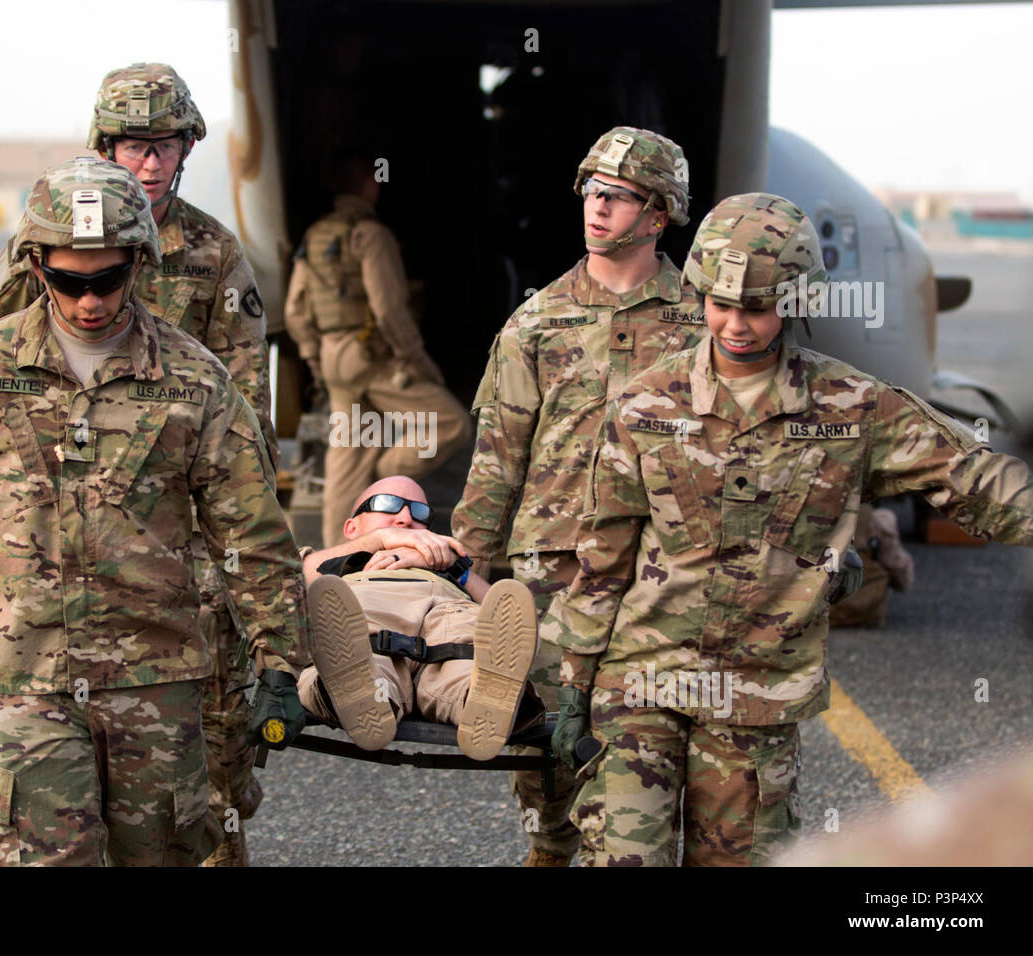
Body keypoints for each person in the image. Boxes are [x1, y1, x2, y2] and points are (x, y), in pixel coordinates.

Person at [0, 62, 278, 866]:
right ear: (105, 146)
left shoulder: (213, 256)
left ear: (188, 149)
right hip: (45, 567)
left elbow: (243, 417)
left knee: (204, 788)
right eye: (133, 146)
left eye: (165, 146)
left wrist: (252, 605)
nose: (149, 164)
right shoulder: (46, 241)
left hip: (171, 554)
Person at [550, 192, 1033, 866]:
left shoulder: (853, 407)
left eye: (758, 306)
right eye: (721, 303)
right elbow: (602, 557)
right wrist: (572, 681)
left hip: (759, 702)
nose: (736, 323)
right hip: (641, 685)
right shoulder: (644, 405)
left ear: (797, 301)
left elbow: (975, 480)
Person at [451, 127, 700, 866]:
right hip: (552, 566)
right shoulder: (538, 319)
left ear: (658, 215)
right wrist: (470, 565)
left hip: (664, 568)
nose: (595, 208)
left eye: (616, 197)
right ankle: (551, 848)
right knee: (552, 745)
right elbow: (499, 451)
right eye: (591, 192)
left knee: (643, 742)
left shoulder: (700, 321)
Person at [284, 155, 472, 547]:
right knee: (450, 423)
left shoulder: (316, 235)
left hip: (334, 358)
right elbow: (388, 310)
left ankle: (336, 559)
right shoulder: (370, 233)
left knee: (346, 461)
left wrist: (317, 359)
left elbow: (295, 311)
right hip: (370, 356)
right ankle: (386, 476)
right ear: (371, 183)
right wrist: (417, 360)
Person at [294, 476, 540, 760]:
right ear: (352, 526)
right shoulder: (340, 565)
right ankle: (366, 698)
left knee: (466, 663)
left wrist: (454, 566)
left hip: (447, 619)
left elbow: (514, 617)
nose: (405, 518)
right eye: (387, 505)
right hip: (369, 614)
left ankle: (480, 700)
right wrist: (380, 540)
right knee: (365, 660)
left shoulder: (452, 569)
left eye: (419, 513)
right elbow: (287, 580)